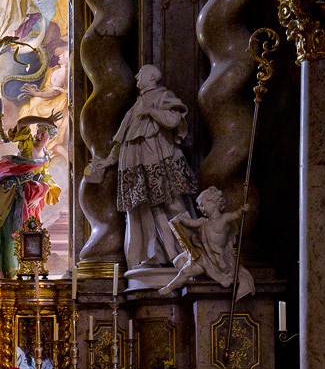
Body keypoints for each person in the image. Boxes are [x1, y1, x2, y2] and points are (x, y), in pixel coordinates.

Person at [91, 64, 198, 269]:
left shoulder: (163, 95)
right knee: (147, 211)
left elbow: (174, 119)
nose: (137, 77)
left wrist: (153, 111)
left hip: (157, 158)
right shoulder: (137, 103)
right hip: (136, 164)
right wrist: (109, 160)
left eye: (140, 74)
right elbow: (123, 137)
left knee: (172, 204)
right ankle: (155, 256)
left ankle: (192, 250)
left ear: (151, 77)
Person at [0, 112, 62, 279]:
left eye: (43, 133)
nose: (38, 135)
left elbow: (45, 179)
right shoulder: (27, 146)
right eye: (38, 131)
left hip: (29, 200)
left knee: (25, 236)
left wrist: (40, 195)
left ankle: (23, 274)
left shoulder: (46, 157)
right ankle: (5, 272)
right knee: (7, 232)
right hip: (11, 195)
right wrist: (45, 119)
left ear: (50, 137)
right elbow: (21, 122)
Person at [159, 186, 254, 300]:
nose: (200, 208)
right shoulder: (203, 221)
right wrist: (180, 219)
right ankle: (196, 279)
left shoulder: (223, 219)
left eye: (202, 205)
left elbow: (235, 215)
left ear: (214, 203)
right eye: (199, 206)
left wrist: (242, 210)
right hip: (204, 254)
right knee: (178, 261)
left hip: (216, 261)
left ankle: (169, 288)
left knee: (186, 271)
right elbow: (191, 223)